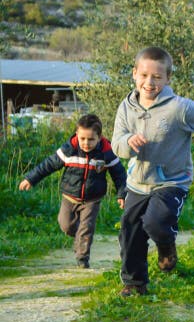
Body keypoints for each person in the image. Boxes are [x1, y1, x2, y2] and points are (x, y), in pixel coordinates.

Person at [112, 46, 194, 297]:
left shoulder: (179, 108)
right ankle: (135, 284)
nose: (150, 82)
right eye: (144, 75)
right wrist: (127, 143)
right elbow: (116, 144)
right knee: (130, 230)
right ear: (134, 74)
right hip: (137, 181)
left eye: (157, 77)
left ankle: (166, 246)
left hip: (172, 181)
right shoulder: (126, 107)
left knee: (156, 222)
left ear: (168, 78)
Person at [19, 113, 127, 269]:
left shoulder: (107, 152)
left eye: (91, 139)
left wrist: (122, 194)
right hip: (69, 197)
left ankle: (82, 259)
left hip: (92, 199)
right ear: (77, 134)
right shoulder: (69, 150)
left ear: (99, 137)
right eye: (82, 138)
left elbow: (120, 175)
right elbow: (48, 165)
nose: (86, 143)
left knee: (86, 227)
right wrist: (31, 178)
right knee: (66, 226)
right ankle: (79, 238)